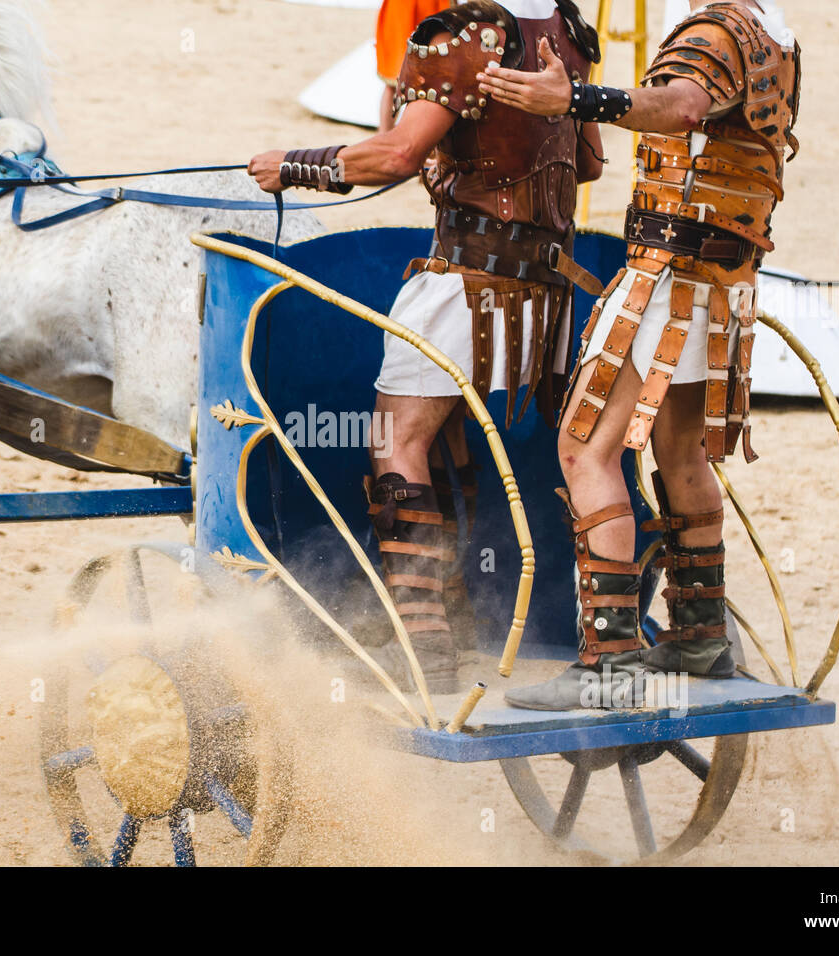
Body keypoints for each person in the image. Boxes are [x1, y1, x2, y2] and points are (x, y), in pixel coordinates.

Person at [249, 0, 605, 693]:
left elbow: (397, 153)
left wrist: (293, 165)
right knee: (444, 440)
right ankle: (456, 616)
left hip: (465, 286)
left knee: (397, 436)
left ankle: (424, 640)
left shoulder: (460, 33)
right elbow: (586, 163)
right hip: (546, 297)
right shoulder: (566, 28)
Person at [474, 0, 801, 710]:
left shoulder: (715, 30)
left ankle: (611, 659)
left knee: (584, 449)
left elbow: (682, 107)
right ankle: (699, 632)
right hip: (721, 279)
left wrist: (575, 100)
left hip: (669, 274)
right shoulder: (771, 31)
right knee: (681, 457)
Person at [375, 1, 453, 133]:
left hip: (430, 7)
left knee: (431, 79)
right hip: (408, 7)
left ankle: (399, 134)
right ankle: (385, 134)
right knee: (395, 77)